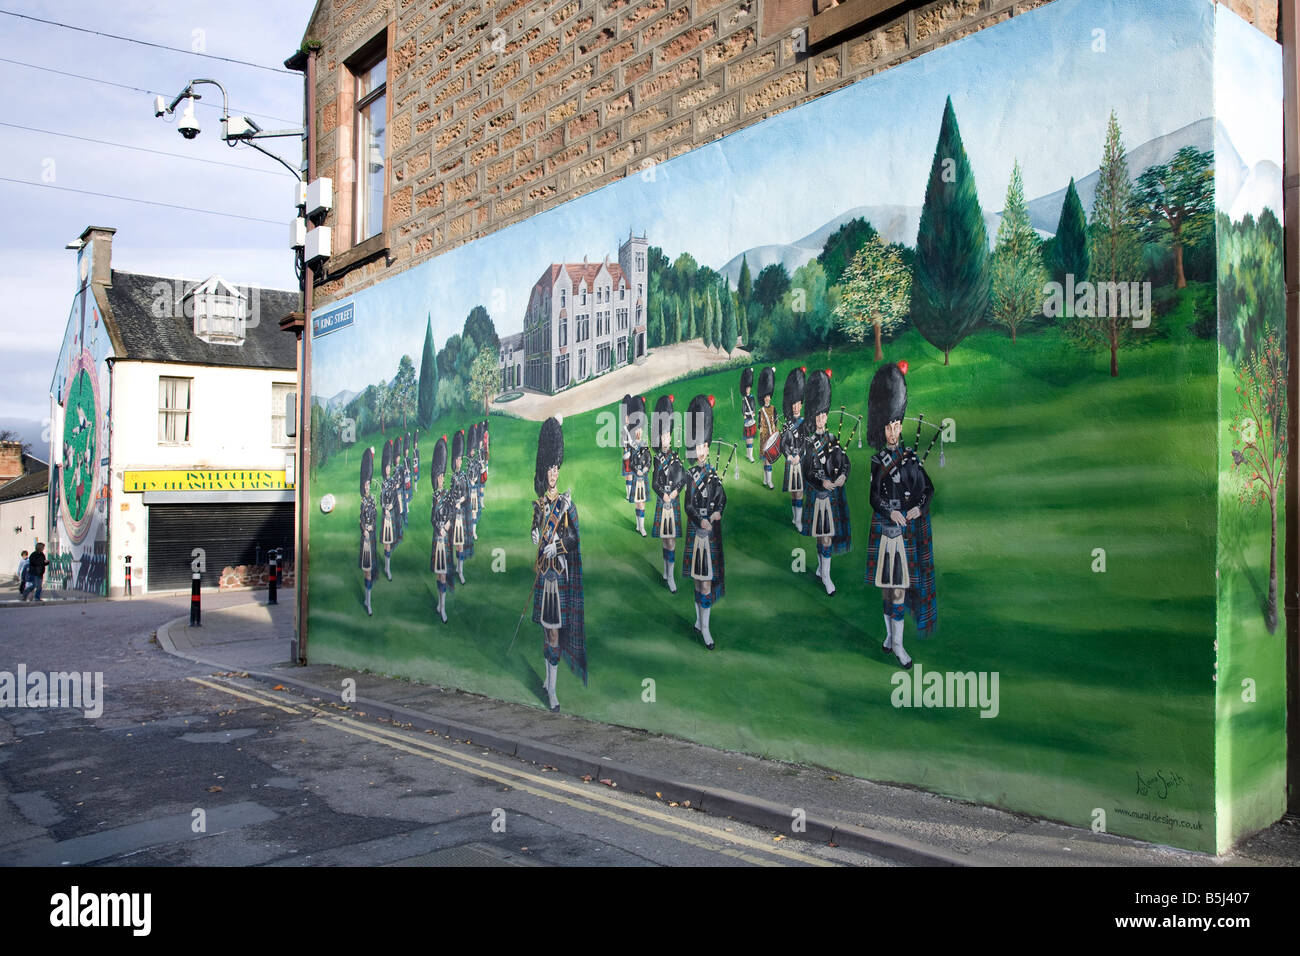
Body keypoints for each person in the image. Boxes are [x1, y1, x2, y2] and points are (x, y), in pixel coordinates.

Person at [865, 362, 937, 670]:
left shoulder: (910, 459)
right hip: (886, 530)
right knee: (889, 588)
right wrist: (890, 512)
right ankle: (892, 639)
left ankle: (896, 643)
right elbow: (873, 498)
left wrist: (919, 506)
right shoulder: (877, 462)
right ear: (880, 427)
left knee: (898, 589)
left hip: (905, 534)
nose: (893, 431)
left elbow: (928, 489)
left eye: (897, 424)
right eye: (888, 426)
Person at [531, 416, 586, 712]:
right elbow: (535, 533)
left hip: (558, 577)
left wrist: (558, 545)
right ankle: (547, 680)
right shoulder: (540, 506)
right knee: (545, 631)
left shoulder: (567, 505)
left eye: (556, 468)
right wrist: (536, 535)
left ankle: (552, 690)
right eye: (549, 469)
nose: (553, 474)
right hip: (544, 576)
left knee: (554, 634)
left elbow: (575, 537)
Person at [800, 369, 851, 596]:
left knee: (826, 536)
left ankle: (823, 571)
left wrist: (842, 476)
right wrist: (823, 484)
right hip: (819, 496)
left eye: (824, 415)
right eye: (818, 415)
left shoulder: (832, 439)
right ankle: (826, 575)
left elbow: (845, 462)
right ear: (813, 416)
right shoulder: (809, 443)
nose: (821, 419)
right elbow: (806, 471)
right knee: (824, 536)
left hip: (832, 497)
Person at [683, 394, 726, 650]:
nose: (700, 451)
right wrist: (700, 519)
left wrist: (718, 511)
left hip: (710, 536)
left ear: (708, 448)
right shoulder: (690, 476)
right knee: (699, 580)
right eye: (696, 447)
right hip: (696, 531)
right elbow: (688, 505)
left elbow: (722, 499)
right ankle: (699, 621)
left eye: (704, 447)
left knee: (707, 582)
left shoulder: (714, 475)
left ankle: (706, 628)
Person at [650, 394, 686, 592]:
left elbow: (683, 480)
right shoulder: (657, 460)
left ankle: (670, 577)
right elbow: (654, 482)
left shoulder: (676, 457)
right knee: (666, 539)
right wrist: (662, 495)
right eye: (663, 436)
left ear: (671, 436)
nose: (666, 439)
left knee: (671, 540)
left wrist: (675, 493)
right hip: (662, 501)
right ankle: (666, 570)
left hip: (672, 502)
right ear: (659, 437)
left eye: (668, 436)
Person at [428, 435, 455, 623]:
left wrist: (447, 525)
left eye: (442, 476)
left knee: (444, 575)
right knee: (439, 574)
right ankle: (439, 602)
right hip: (437, 538)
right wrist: (438, 527)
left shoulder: (447, 495)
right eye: (438, 476)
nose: (441, 479)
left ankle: (444, 608)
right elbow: (432, 518)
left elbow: (452, 512)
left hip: (445, 539)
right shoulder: (435, 497)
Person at [781, 366, 807, 530]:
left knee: (799, 491)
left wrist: (800, 455)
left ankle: (799, 520)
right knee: (793, 492)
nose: (796, 407)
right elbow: (783, 443)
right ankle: (794, 517)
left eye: (798, 404)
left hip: (801, 461)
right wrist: (788, 456)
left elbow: (806, 442)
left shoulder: (805, 423)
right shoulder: (787, 424)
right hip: (791, 460)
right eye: (794, 404)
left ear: (802, 404)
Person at [624, 395, 650, 536]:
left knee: (642, 502)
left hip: (643, 475)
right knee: (638, 501)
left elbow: (648, 459)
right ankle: (639, 525)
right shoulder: (629, 438)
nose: (639, 432)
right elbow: (630, 460)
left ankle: (642, 526)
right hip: (635, 474)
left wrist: (645, 469)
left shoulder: (644, 442)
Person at [450, 429, 472, 583]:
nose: (459, 461)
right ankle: (454, 567)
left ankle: (460, 570)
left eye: (460, 459)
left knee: (460, 544)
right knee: (453, 544)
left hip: (461, 514)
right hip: (452, 515)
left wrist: (462, 499)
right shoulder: (450, 478)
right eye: (456, 459)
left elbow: (467, 494)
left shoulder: (464, 476)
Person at [359, 447, 378, 615]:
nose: (367, 486)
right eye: (365, 484)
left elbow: (375, 516)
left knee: (370, 570)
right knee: (367, 571)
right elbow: (361, 519)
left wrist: (372, 527)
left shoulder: (372, 500)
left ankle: (368, 600)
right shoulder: (363, 502)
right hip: (365, 537)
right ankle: (367, 600)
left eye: (369, 483)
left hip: (371, 538)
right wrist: (365, 529)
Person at [756, 366, 778, 489]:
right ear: (763, 397)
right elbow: (760, 424)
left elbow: (775, 421)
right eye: (765, 396)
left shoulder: (774, 408)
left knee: (769, 460)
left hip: (771, 436)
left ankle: (769, 481)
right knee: (765, 460)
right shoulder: (761, 410)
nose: (767, 398)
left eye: (768, 396)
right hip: (764, 436)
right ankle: (765, 479)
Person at [379, 440, 398, 581]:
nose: (388, 469)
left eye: (389, 467)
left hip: (391, 514)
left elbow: (396, 499)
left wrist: (391, 507)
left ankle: (388, 566)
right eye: (386, 467)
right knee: (386, 542)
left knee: (390, 543)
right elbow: (380, 499)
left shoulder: (392, 482)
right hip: (385, 515)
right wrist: (384, 508)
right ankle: (387, 568)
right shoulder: (382, 483)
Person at [740, 368, 757, 462]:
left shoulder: (752, 397)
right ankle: (748, 454)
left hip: (752, 416)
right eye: (746, 388)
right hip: (747, 418)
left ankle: (750, 455)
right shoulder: (744, 399)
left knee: (750, 437)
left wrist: (754, 412)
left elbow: (754, 405)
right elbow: (743, 408)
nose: (747, 389)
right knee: (748, 437)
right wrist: (744, 414)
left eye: (749, 388)